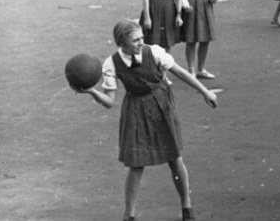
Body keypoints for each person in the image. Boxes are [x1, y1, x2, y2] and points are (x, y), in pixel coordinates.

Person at [75, 19, 217, 221]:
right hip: (136, 110)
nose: (141, 42)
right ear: (122, 43)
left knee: (175, 159)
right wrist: (91, 91)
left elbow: (180, 72)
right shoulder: (111, 63)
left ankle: (187, 208)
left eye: (142, 37)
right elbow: (109, 102)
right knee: (136, 164)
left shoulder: (155, 52)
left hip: (161, 106)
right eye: (136, 40)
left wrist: (205, 92)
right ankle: (129, 215)